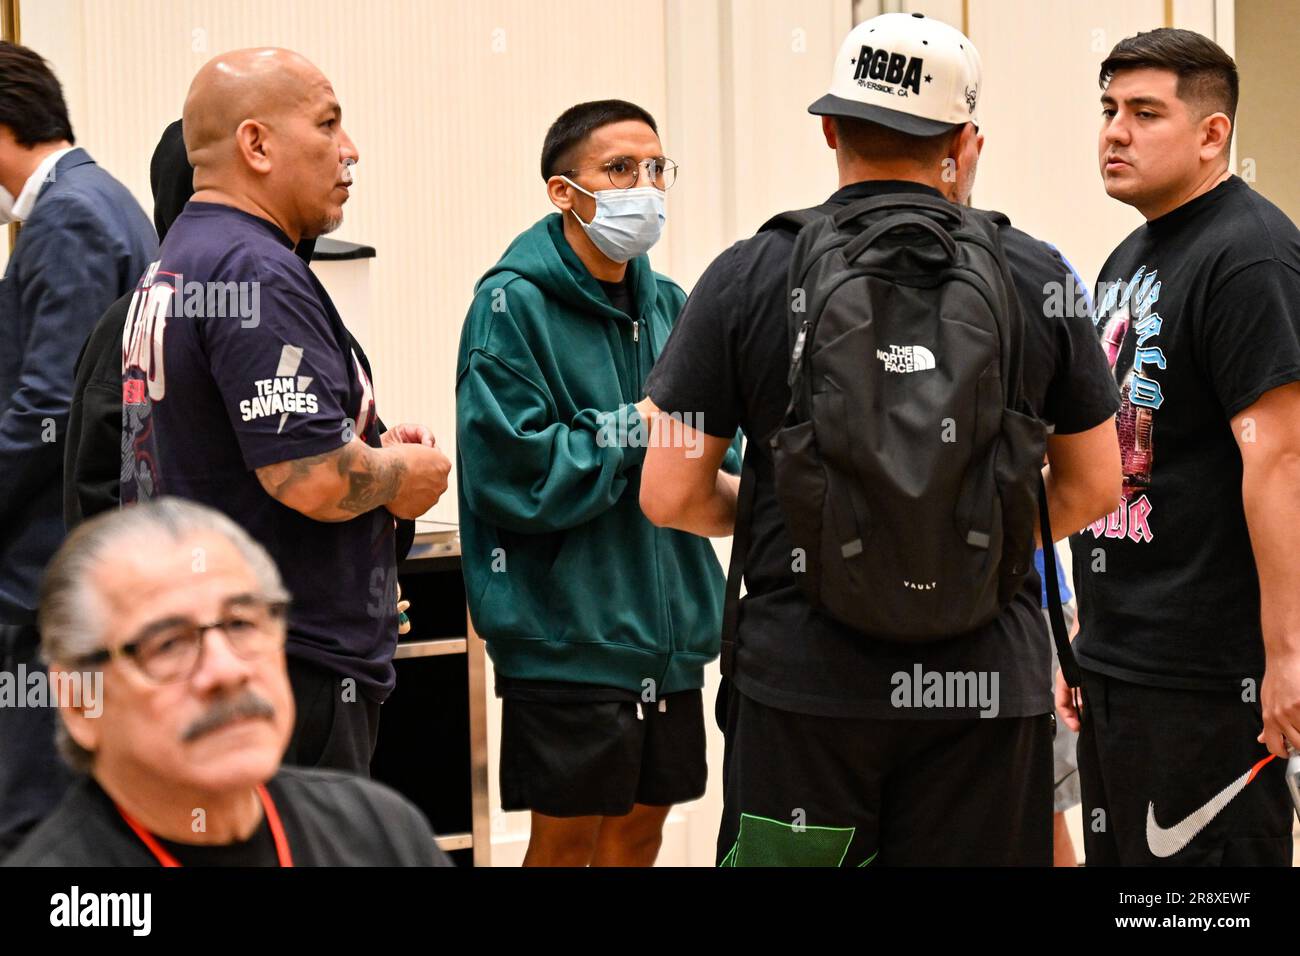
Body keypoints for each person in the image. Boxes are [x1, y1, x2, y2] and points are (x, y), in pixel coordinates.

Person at [640, 12, 1121, 866]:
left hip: (802, 690)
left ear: (829, 127)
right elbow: (1093, 487)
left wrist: (798, 510)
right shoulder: (1037, 276)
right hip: (984, 693)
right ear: (965, 142)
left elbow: (668, 493)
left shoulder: (746, 275)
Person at [120, 48, 451, 776]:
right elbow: (308, 476)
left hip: (218, 653)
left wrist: (366, 441)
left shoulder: (182, 258)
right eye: (329, 123)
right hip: (283, 672)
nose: (349, 149)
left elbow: (243, 443)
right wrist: (402, 473)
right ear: (256, 144)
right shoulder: (252, 268)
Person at [456, 99, 740, 866]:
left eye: (655, 169)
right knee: (565, 842)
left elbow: (722, 452)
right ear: (563, 191)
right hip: (566, 640)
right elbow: (513, 474)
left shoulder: (673, 305)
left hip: (670, 636)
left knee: (643, 830)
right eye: (620, 170)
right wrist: (633, 426)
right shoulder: (509, 308)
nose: (643, 187)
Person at [1063, 27, 1300, 866]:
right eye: (1109, 109)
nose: (1115, 131)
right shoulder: (1130, 255)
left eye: (1144, 112)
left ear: (1212, 134)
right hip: (1121, 661)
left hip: (1207, 675)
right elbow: (1116, 459)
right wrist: (1080, 638)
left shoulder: (1250, 256)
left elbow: (1281, 463)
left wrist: (1288, 657)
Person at [4, 498, 449, 866]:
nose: (227, 671)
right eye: (167, 645)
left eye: (241, 624)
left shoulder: (379, 834)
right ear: (81, 701)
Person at [0, 41, 156, 857]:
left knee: (33, 808)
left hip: (45, 561)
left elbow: (45, 408)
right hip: (80, 548)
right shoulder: (109, 199)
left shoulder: (67, 215)